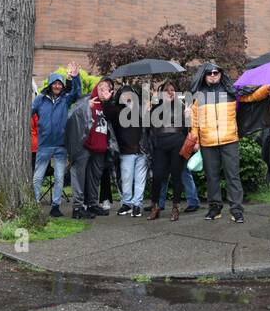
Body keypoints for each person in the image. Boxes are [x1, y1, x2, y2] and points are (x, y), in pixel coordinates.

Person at [185, 62, 270, 223]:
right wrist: (195, 139)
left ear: (220, 74)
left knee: (233, 176)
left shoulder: (230, 92)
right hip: (207, 141)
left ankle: (237, 210)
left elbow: (252, 97)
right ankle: (214, 208)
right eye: (209, 73)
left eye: (216, 72)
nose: (213, 75)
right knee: (211, 177)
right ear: (204, 76)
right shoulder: (199, 96)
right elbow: (195, 120)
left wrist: (266, 88)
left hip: (230, 140)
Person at [31, 64, 81, 217]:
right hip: (44, 144)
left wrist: (75, 77)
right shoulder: (40, 99)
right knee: (38, 177)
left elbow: (77, 94)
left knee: (59, 177)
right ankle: (34, 204)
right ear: (50, 84)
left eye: (60, 83)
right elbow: (28, 112)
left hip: (61, 145)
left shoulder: (65, 100)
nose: (57, 86)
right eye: (55, 83)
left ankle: (55, 206)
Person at [66, 77, 119, 218]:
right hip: (84, 146)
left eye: (108, 88)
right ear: (97, 87)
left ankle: (92, 205)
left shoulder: (107, 105)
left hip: (100, 149)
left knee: (94, 180)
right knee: (79, 177)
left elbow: (114, 119)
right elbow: (71, 116)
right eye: (102, 88)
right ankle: (77, 208)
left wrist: (107, 101)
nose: (104, 91)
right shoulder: (86, 101)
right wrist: (85, 107)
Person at [147, 79, 190, 220]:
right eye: (166, 90)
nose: (169, 92)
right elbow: (148, 126)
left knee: (176, 175)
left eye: (172, 90)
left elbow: (188, 128)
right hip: (160, 143)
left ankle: (176, 207)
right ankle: (155, 206)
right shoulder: (156, 105)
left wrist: (188, 117)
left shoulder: (182, 106)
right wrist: (149, 109)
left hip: (177, 142)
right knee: (158, 176)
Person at [107, 83, 149, 217]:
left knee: (140, 180)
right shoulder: (116, 110)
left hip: (142, 151)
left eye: (130, 95)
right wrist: (108, 100)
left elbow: (149, 128)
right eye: (124, 95)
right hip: (125, 151)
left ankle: (137, 205)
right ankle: (126, 204)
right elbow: (106, 113)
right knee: (126, 179)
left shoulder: (141, 109)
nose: (127, 97)